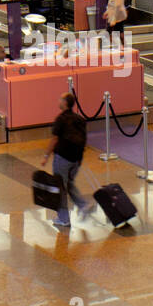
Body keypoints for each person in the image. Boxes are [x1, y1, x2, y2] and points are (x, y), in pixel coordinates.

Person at [41, 93, 94, 230]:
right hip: (76, 159)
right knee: (69, 183)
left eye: (60, 99)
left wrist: (46, 156)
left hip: (63, 158)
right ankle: (83, 205)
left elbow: (54, 139)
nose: (58, 100)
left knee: (61, 188)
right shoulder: (80, 119)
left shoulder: (61, 120)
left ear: (65, 103)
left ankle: (63, 219)